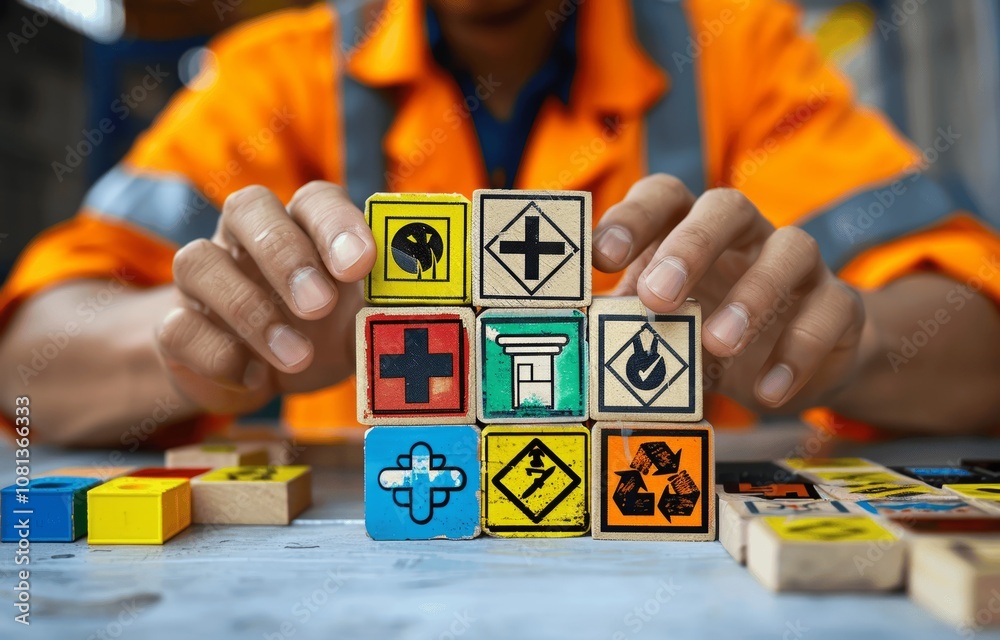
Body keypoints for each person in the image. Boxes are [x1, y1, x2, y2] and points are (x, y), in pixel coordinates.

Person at [1, 0, 999, 447]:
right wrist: (197, 346)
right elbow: (27, 368)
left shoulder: (741, 46)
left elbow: (980, 347)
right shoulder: (272, 75)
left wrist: (844, 347)